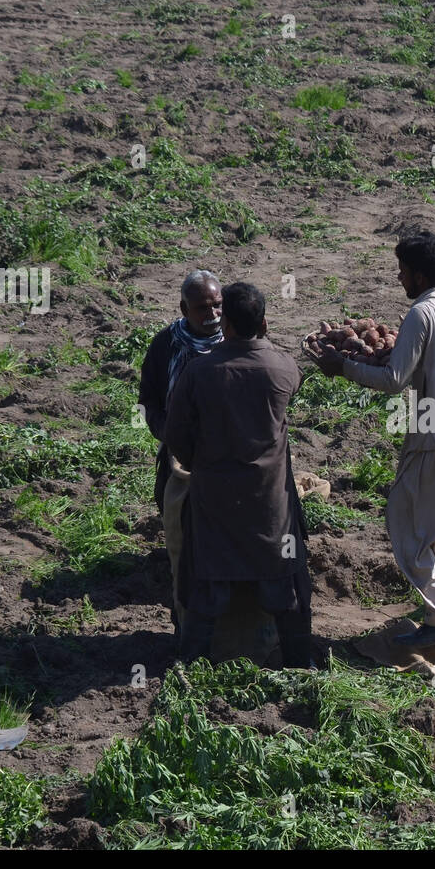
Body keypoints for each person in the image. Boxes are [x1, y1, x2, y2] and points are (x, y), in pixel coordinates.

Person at [312, 231, 435, 655]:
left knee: (408, 525)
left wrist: (343, 367)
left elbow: (394, 381)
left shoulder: (422, 313)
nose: (399, 278)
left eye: (403, 270)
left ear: (419, 273)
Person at [164, 282, 310, 667]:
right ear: (264, 323)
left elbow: (176, 435)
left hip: (215, 500)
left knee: (206, 584)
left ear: (224, 322)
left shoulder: (199, 372)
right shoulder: (283, 367)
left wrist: (206, 462)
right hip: (269, 501)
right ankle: (299, 662)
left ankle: (191, 666)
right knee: (284, 581)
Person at [136, 270, 224, 636]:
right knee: (172, 506)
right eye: (203, 308)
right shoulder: (165, 346)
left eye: (218, 305)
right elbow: (148, 401)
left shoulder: (234, 341)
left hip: (223, 451)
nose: (213, 315)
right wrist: (168, 434)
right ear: (183, 308)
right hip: (178, 450)